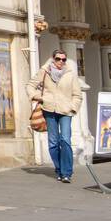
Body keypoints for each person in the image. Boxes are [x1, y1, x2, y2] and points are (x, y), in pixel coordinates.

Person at [28, 49, 83, 183]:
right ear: (53, 59)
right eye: (58, 59)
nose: (61, 62)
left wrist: (73, 107)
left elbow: (77, 95)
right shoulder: (45, 71)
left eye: (63, 59)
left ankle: (67, 173)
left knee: (65, 140)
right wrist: (38, 97)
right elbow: (30, 85)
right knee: (53, 142)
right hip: (49, 109)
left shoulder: (70, 74)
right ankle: (59, 169)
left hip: (65, 111)